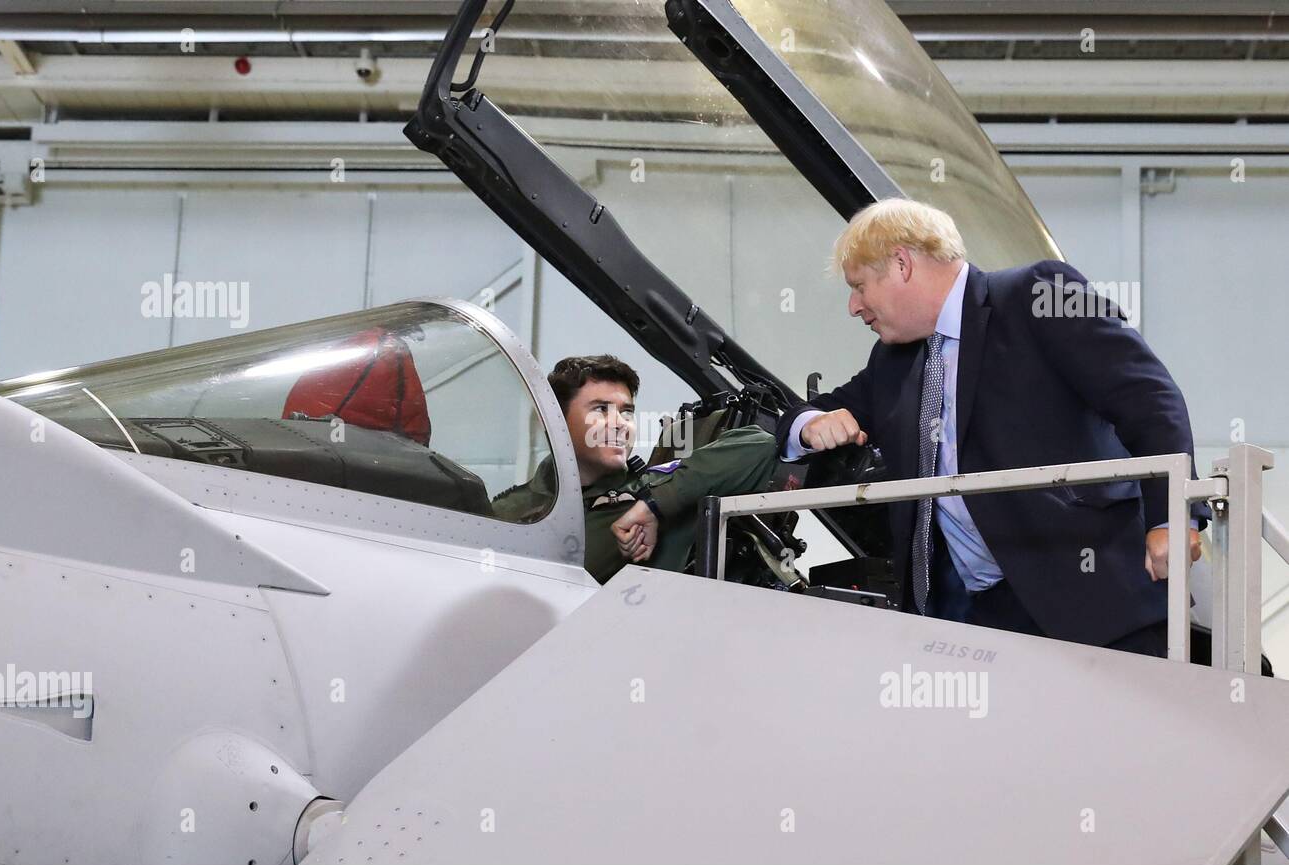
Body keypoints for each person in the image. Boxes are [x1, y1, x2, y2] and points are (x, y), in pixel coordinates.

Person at [778, 197, 1207, 657]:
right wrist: (811, 426)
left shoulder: (1038, 292)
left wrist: (1170, 518)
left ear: (901, 264)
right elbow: (808, 413)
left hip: (1094, 603)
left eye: (859, 286)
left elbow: (1148, 399)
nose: (853, 306)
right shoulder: (893, 359)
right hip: (970, 621)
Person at [494, 354, 777, 584]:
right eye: (600, 409)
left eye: (627, 412)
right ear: (555, 422)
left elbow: (760, 445)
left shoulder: (655, 493)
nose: (620, 423)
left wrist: (652, 505)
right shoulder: (507, 509)